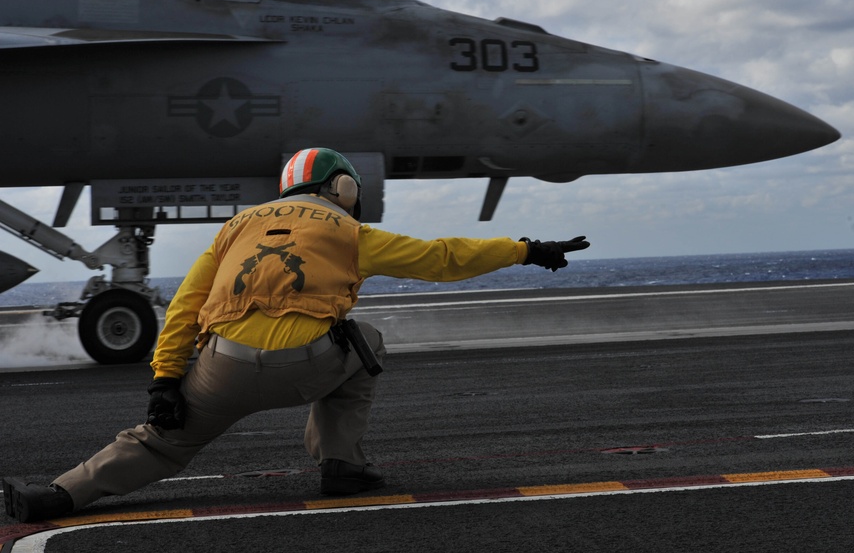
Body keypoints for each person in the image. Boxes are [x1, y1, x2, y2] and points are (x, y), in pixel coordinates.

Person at [2, 148, 590, 523]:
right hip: (308, 365)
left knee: (158, 442)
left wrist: (164, 380)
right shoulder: (348, 228)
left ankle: (57, 496)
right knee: (367, 343)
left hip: (222, 367)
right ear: (338, 187)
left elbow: (186, 306)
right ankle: (341, 466)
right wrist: (528, 249)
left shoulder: (235, 229)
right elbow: (441, 257)